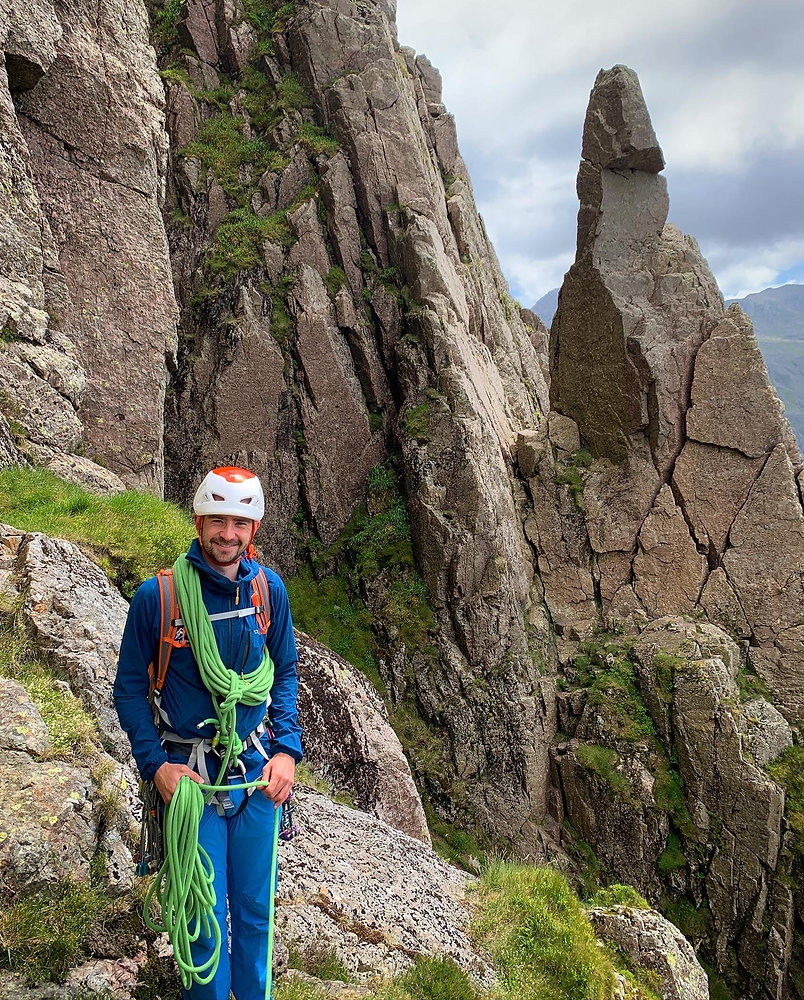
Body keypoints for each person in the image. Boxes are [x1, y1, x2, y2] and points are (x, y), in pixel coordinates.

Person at [114, 466, 302, 1000]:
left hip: (255, 776)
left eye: (240, 522)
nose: (228, 533)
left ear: (254, 530)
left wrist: (287, 750)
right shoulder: (159, 598)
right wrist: (156, 766)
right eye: (217, 520)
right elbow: (129, 689)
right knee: (203, 921)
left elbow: (284, 671)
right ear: (198, 522)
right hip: (190, 782)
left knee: (255, 914)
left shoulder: (269, 592)